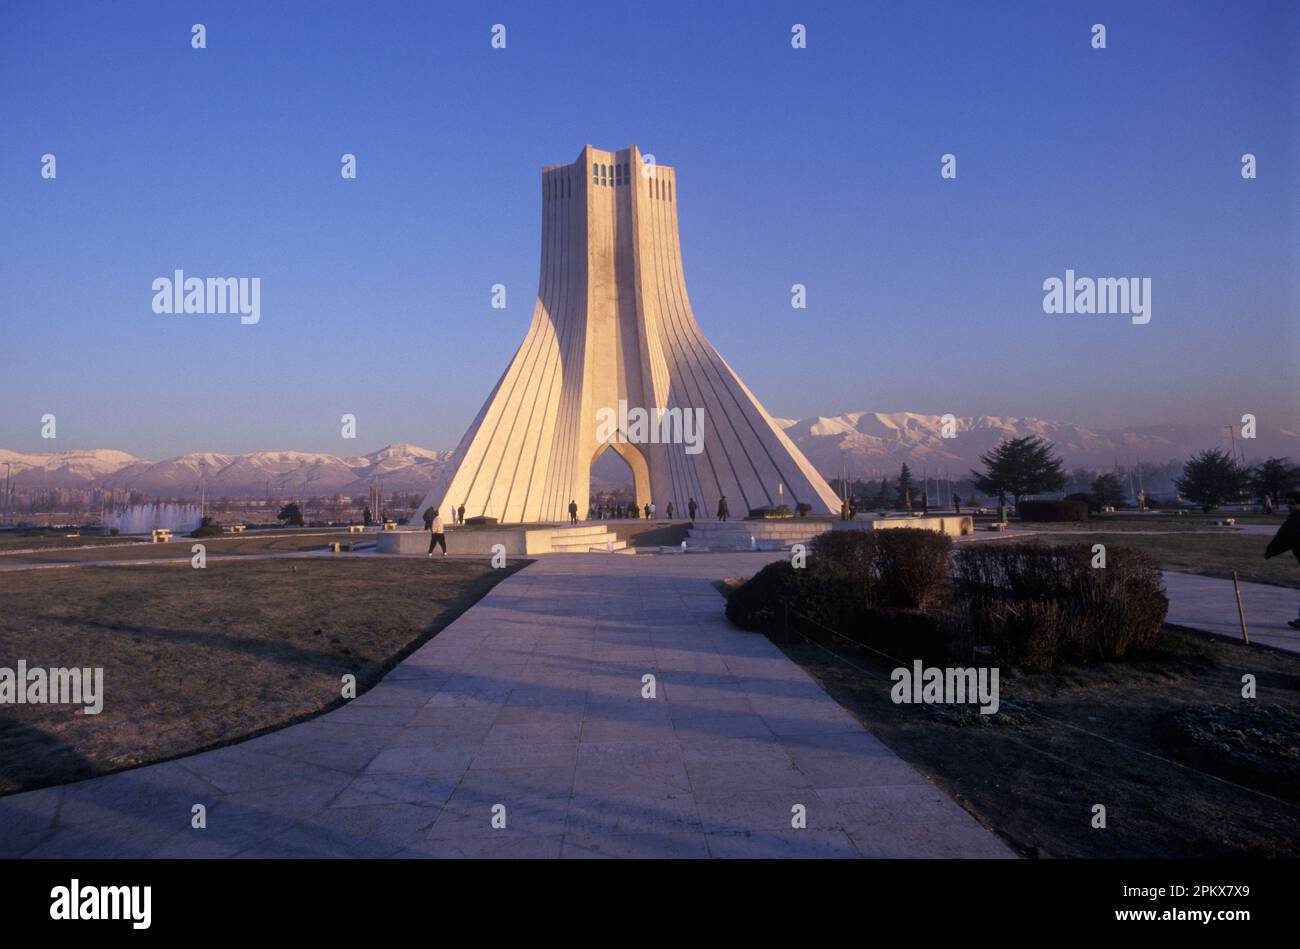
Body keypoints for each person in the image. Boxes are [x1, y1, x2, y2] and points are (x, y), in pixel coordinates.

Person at [1264, 490, 1300, 629]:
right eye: (1288, 503)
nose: (1289, 506)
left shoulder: (1296, 518)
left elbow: (1284, 538)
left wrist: (1270, 552)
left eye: (1292, 503)